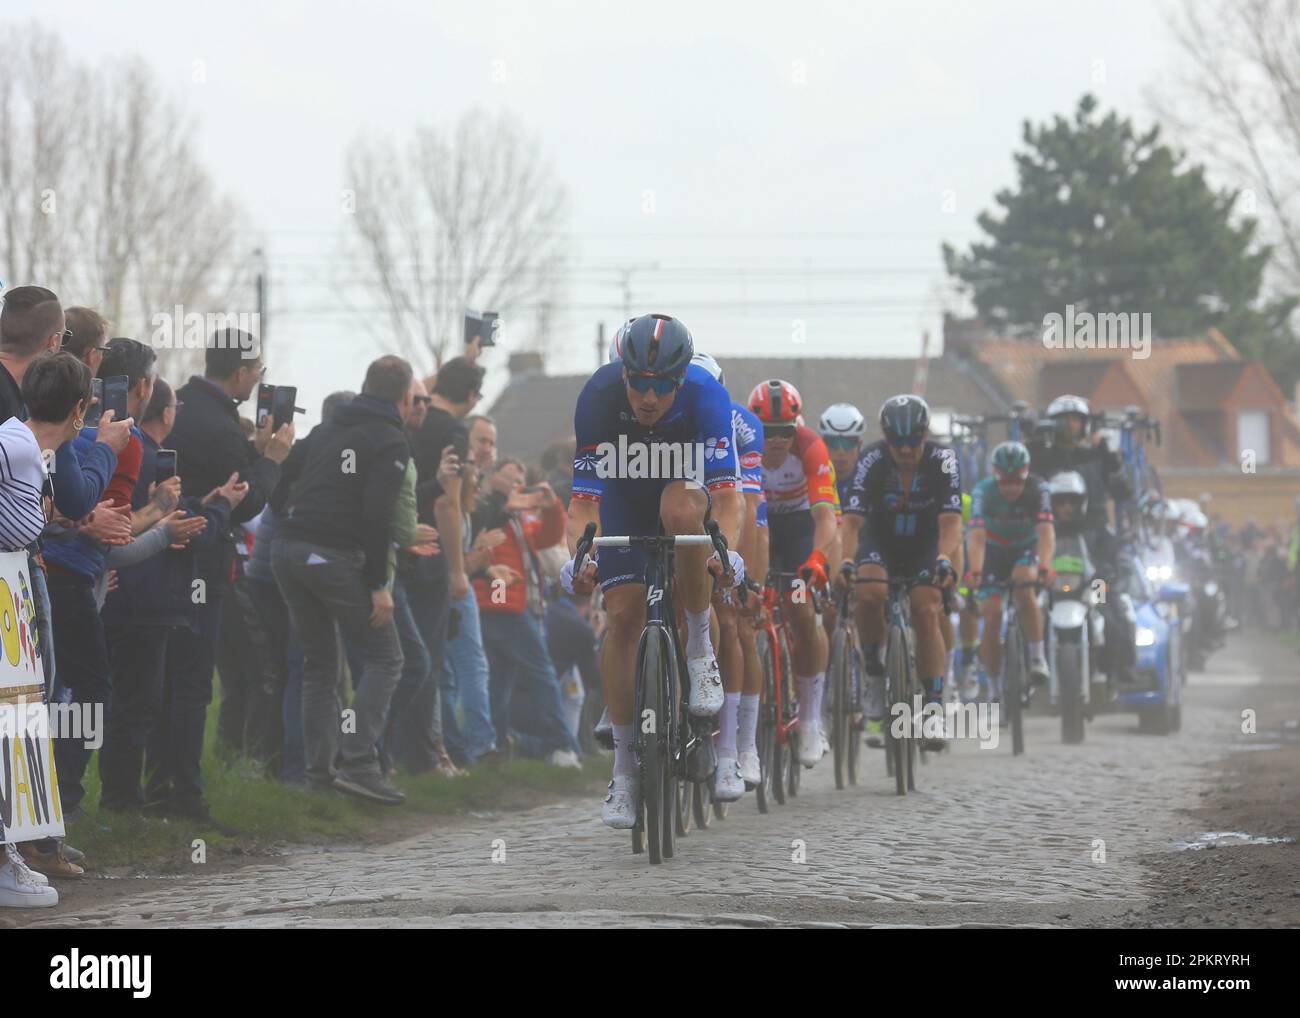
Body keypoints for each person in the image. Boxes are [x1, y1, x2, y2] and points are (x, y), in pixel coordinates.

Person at [563, 314, 745, 828]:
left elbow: (729, 499)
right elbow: (583, 503)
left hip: (680, 494)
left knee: (683, 513)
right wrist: (576, 556)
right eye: (638, 383)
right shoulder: (598, 395)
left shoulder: (707, 395)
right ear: (623, 375)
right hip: (622, 498)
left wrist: (727, 553)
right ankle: (622, 775)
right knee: (622, 617)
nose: (648, 396)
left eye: (661, 385)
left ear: (680, 378)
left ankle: (698, 645)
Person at [154, 330, 292, 820]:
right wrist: (271, 459)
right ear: (240, 372)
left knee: (163, 681)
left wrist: (251, 453)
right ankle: (186, 797)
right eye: (258, 371)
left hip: (160, 557)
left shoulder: (178, 404)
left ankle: (150, 792)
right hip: (204, 564)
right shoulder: (221, 425)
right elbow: (245, 501)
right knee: (193, 684)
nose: (259, 380)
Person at [99, 379, 246, 814]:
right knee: (135, 705)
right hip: (146, 597)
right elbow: (177, 526)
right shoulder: (140, 451)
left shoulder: (130, 448)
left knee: (135, 701)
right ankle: (121, 802)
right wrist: (221, 508)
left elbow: (170, 513)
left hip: (130, 594)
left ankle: (129, 798)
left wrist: (204, 501)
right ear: (166, 413)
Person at [271, 355, 414, 804]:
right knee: (386, 657)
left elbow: (280, 475)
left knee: (320, 666)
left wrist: (291, 519)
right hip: (330, 557)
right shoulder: (389, 440)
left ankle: (320, 777)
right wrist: (377, 585)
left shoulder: (327, 428)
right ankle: (358, 763)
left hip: (287, 551)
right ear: (405, 396)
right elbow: (377, 515)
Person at [841, 395, 962, 752]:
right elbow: (851, 522)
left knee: (927, 608)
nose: (907, 450)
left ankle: (934, 706)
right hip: (881, 540)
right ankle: (876, 681)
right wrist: (847, 561)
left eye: (915, 441)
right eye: (898, 442)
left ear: (926, 436)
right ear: (886, 438)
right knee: (869, 594)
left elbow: (952, 522)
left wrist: (944, 558)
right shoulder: (872, 460)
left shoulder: (944, 461)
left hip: (927, 543)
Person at [749, 379, 839, 768]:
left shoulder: (810, 447)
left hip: (803, 529)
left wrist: (817, 558)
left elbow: (825, 517)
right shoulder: (742, 448)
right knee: (748, 611)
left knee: (802, 613)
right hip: (761, 529)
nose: (777, 440)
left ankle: (811, 720)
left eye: (785, 431)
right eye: (768, 432)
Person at [401, 356, 484, 772]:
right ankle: (426, 755)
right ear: (471, 396)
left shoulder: (413, 415)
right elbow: (448, 504)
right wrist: (457, 570)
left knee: (398, 656)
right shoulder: (453, 431)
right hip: (432, 551)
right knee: (428, 658)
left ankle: (399, 753)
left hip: (397, 545)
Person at [473, 458, 579, 766]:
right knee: (542, 674)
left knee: (500, 681)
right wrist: (500, 600)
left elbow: (546, 538)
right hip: (503, 605)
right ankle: (562, 746)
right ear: (494, 479)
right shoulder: (491, 510)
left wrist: (552, 507)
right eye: (510, 480)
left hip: (516, 605)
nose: (517, 487)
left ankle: (496, 743)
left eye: (521, 481)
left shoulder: (520, 518)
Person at [963, 441, 1055, 692]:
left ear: (1026, 474)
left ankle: (1037, 658)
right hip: (992, 552)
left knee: (1024, 586)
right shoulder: (983, 491)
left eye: (1017, 480)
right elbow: (978, 537)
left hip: (1025, 548)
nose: (1012, 487)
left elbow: (1046, 532)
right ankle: (994, 688)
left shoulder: (1039, 489)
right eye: (1004, 481)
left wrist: (1045, 566)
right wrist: (976, 571)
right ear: (995, 475)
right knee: (991, 614)